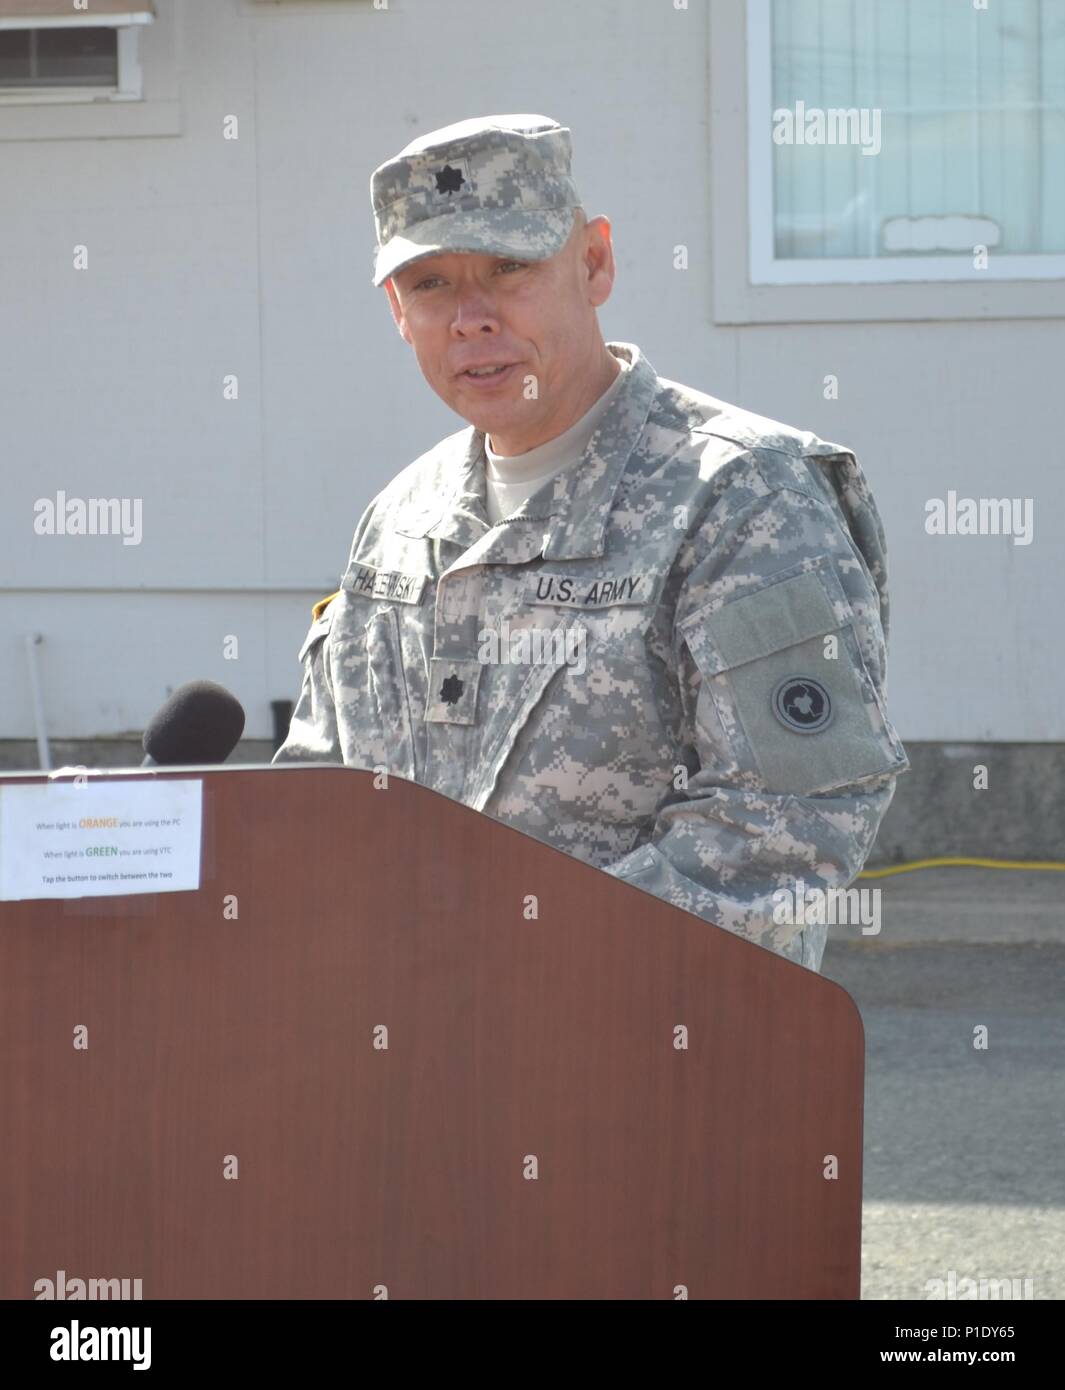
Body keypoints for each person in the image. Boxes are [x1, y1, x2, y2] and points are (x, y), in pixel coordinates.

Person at [273, 113, 910, 972]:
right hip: (409, 1056)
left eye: (510, 268)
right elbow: (322, 794)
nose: (471, 317)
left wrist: (513, 969)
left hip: (650, 1055)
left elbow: (787, 823)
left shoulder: (740, 494)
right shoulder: (401, 519)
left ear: (594, 262)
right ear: (397, 310)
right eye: (430, 284)